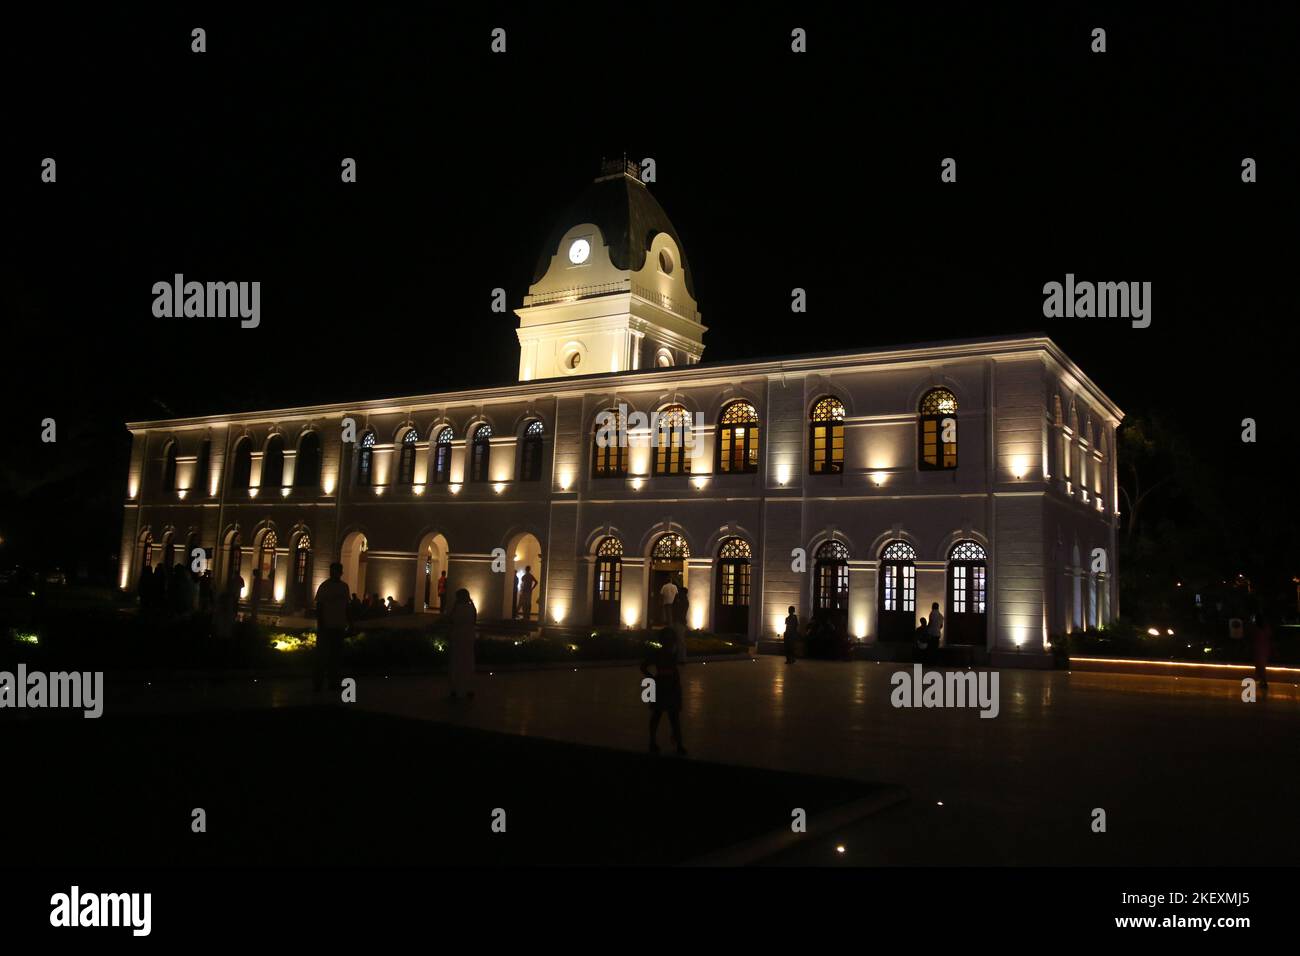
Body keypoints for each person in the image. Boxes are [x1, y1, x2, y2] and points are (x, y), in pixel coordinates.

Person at [641, 626, 686, 756]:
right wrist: (652, 678)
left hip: (667, 685)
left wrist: (652, 678)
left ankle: (676, 743)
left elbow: (644, 667)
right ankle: (661, 742)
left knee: (666, 716)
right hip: (662, 685)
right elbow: (644, 666)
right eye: (668, 641)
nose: (670, 643)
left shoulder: (671, 654)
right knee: (662, 715)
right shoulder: (664, 654)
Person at [313, 562, 351, 694]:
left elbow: (347, 607)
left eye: (336, 571)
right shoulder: (325, 586)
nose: (333, 573)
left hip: (338, 626)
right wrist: (321, 625)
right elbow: (319, 607)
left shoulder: (344, 587)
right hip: (327, 626)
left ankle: (333, 682)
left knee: (336, 657)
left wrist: (348, 623)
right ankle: (318, 683)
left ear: (340, 572)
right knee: (323, 657)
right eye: (332, 571)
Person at [446, 588, 477, 699]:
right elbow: (474, 620)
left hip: (458, 638)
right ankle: (468, 688)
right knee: (467, 663)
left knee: (456, 663)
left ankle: (455, 689)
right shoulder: (471, 608)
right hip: (468, 638)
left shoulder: (457, 608)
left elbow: (451, 619)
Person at [1249, 612, 1273, 692]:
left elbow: (1252, 636)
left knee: (1259, 666)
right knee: (1262, 665)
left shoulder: (1255, 628)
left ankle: (1263, 681)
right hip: (1264, 647)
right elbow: (1268, 636)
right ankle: (1263, 681)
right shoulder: (1265, 627)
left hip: (1258, 648)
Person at [672, 585, 690, 663]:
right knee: (678, 640)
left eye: (680, 592)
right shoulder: (683, 600)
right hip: (680, 621)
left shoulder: (683, 601)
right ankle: (679, 658)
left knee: (680, 641)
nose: (678, 593)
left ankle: (681, 659)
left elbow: (677, 609)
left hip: (680, 622)